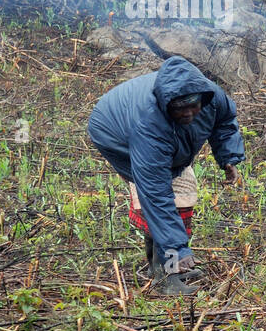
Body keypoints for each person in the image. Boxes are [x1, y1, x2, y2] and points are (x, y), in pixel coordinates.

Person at [87, 56, 244, 295]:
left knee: (179, 190)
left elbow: (225, 121)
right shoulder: (149, 125)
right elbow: (156, 194)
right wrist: (178, 251)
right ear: (166, 102)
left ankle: (159, 267)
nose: (189, 112)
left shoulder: (210, 96)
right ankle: (165, 277)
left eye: (193, 105)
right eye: (180, 107)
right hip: (112, 134)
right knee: (167, 197)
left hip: (152, 131)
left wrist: (228, 158)